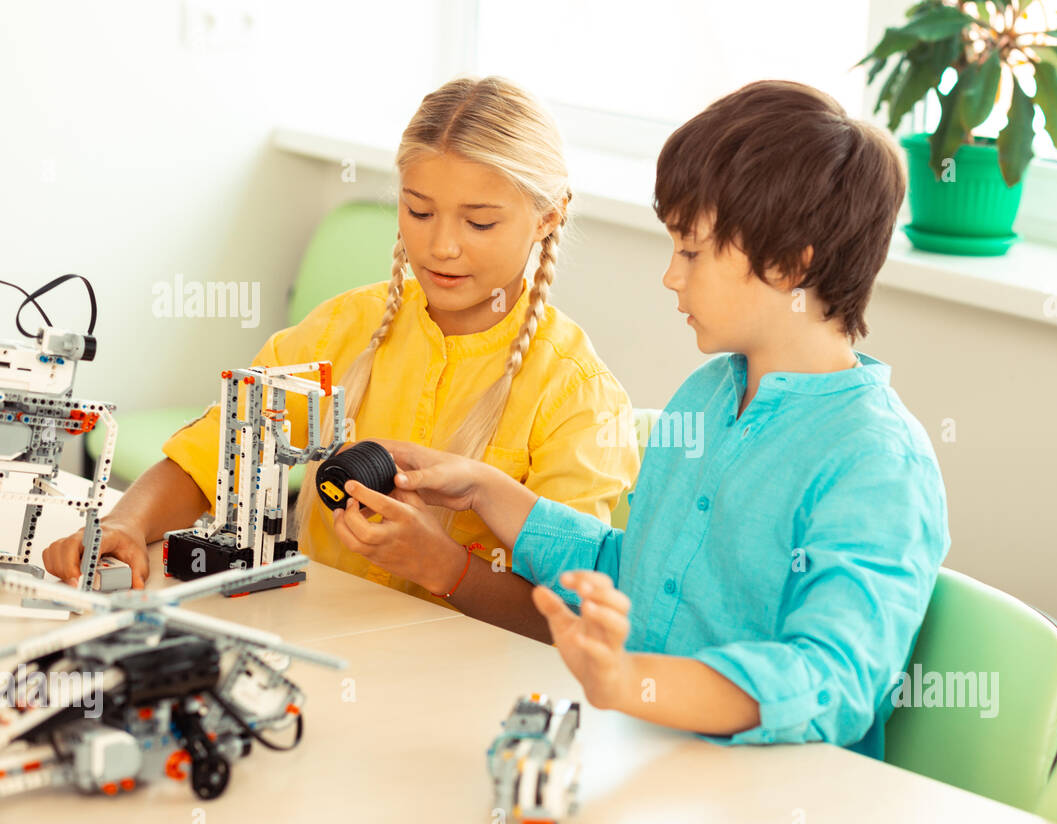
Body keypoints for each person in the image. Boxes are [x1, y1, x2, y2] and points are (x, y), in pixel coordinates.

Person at [350, 80, 952, 756]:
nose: (671, 276)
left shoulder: (875, 461)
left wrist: (634, 682)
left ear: (789, 265)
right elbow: (636, 570)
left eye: (692, 252)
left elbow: (831, 682)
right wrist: (488, 491)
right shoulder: (707, 397)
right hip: (642, 757)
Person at [43, 76, 640, 643]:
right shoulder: (341, 330)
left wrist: (447, 569)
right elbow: (213, 455)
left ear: (548, 215)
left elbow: (566, 619)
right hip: (318, 635)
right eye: (419, 211)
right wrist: (125, 523)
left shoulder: (575, 395)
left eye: (479, 221)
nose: (441, 245)